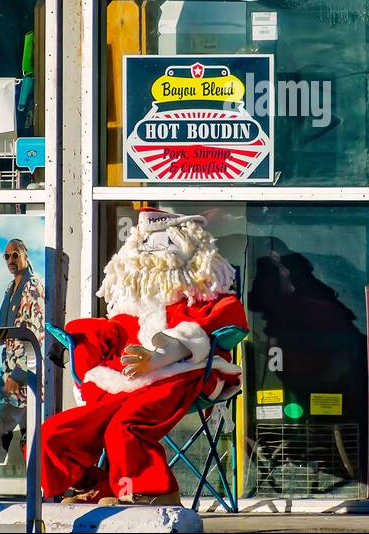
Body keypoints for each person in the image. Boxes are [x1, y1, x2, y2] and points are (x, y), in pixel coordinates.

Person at [38, 209, 247, 505]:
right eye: (145, 246)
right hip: (124, 383)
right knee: (56, 432)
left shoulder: (200, 301)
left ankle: (153, 493)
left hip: (180, 377)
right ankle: (99, 485)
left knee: (124, 427)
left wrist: (166, 353)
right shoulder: (132, 311)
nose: (151, 253)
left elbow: (223, 320)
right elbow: (108, 329)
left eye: (162, 245)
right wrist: (74, 338)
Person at [0, 238, 45, 465]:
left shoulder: (33, 287)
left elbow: (37, 333)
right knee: (26, 438)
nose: (11, 259)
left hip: (23, 376)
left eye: (15, 254)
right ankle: (29, 487)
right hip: (7, 376)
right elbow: (9, 329)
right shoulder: (10, 288)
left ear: (25, 255)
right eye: (7, 256)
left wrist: (20, 374)